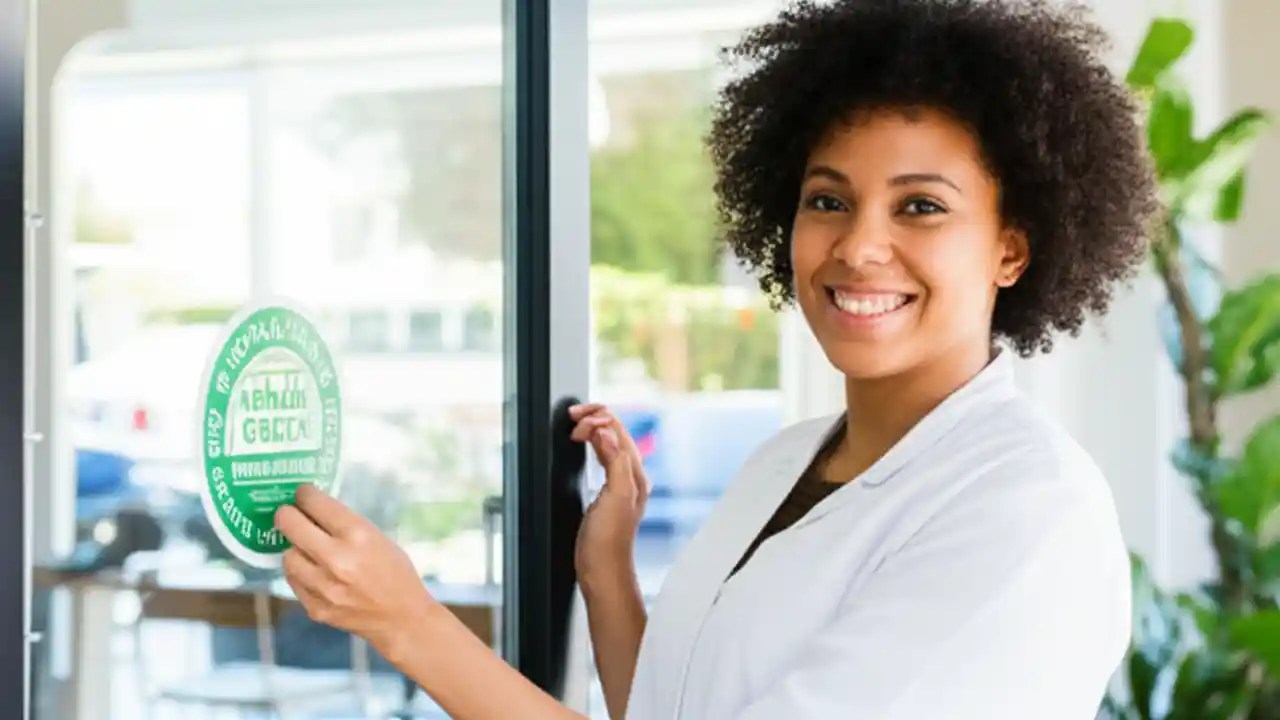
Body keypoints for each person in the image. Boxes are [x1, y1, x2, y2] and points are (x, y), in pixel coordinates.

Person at [272, 0, 1160, 717]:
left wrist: (408, 624)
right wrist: (606, 573)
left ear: (1012, 247)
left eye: (921, 206)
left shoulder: (1026, 509)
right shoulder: (786, 460)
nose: (858, 247)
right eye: (827, 200)